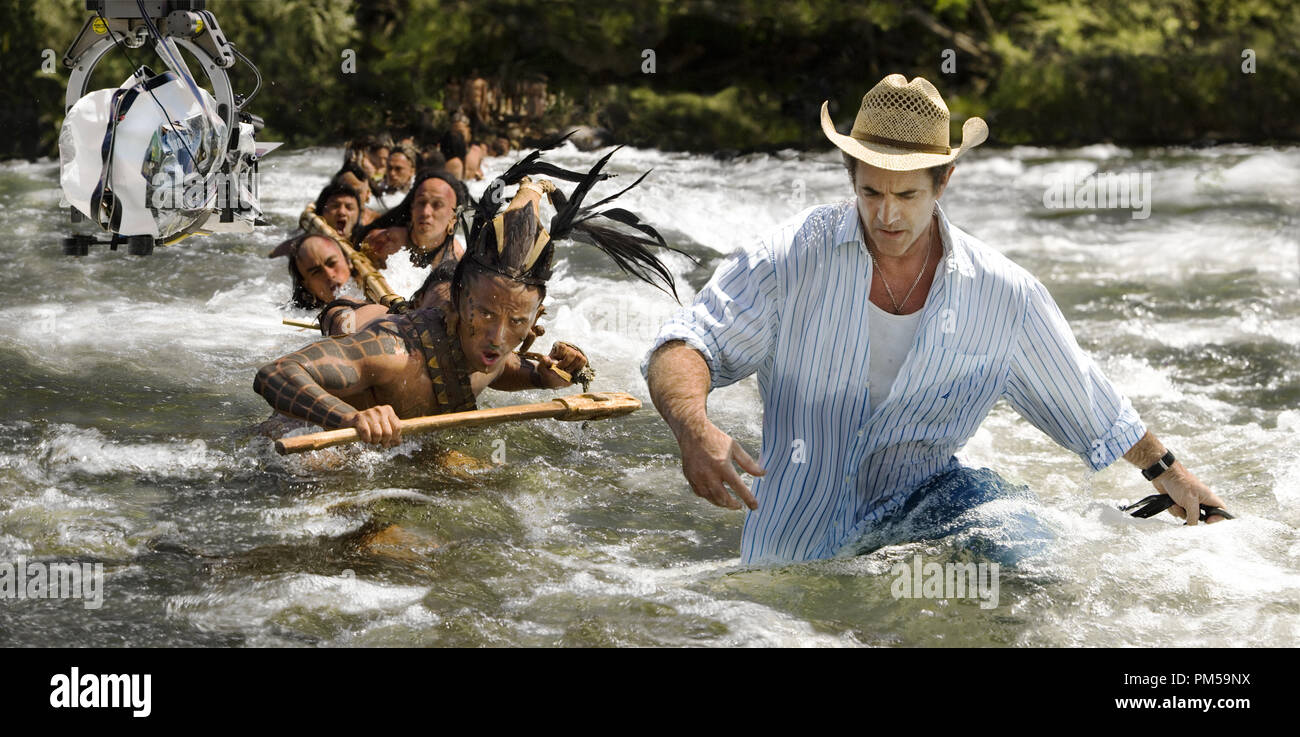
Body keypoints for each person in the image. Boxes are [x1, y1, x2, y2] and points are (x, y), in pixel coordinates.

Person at [642, 74, 1230, 565]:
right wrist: (693, 429)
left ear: (943, 181)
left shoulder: (1004, 295)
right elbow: (686, 345)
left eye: (907, 196)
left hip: (925, 514)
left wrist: (1175, 478)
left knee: (1027, 542)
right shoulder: (789, 257)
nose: (887, 215)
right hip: (795, 543)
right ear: (850, 173)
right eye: (871, 193)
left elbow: (1089, 402)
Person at [254, 148, 684, 445]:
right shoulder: (393, 351)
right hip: (305, 453)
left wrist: (542, 378)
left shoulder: (491, 351)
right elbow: (275, 374)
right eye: (484, 314)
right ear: (458, 303)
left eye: (516, 322)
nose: (498, 337)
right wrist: (349, 417)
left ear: (535, 320)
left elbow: (500, 369)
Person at [267, 233, 352, 311]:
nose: (329, 275)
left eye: (332, 263)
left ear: (348, 261)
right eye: (316, 272)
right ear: (308, 286)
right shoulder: (301, 317)